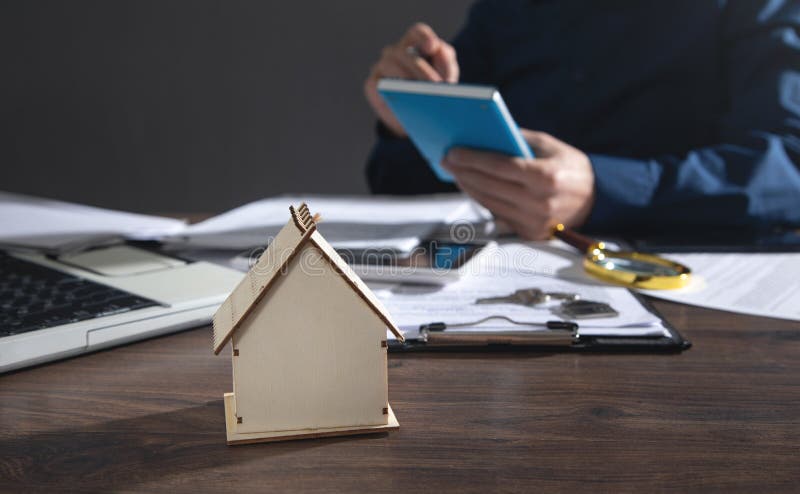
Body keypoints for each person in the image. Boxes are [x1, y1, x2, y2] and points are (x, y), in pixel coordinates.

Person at [363, 1, 800, 240]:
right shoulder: (510, 12)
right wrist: (411, 118)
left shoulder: (752, 9)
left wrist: (601, 190)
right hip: (512, 288)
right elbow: (399, 182)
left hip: (697, 299)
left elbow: (786, 169)